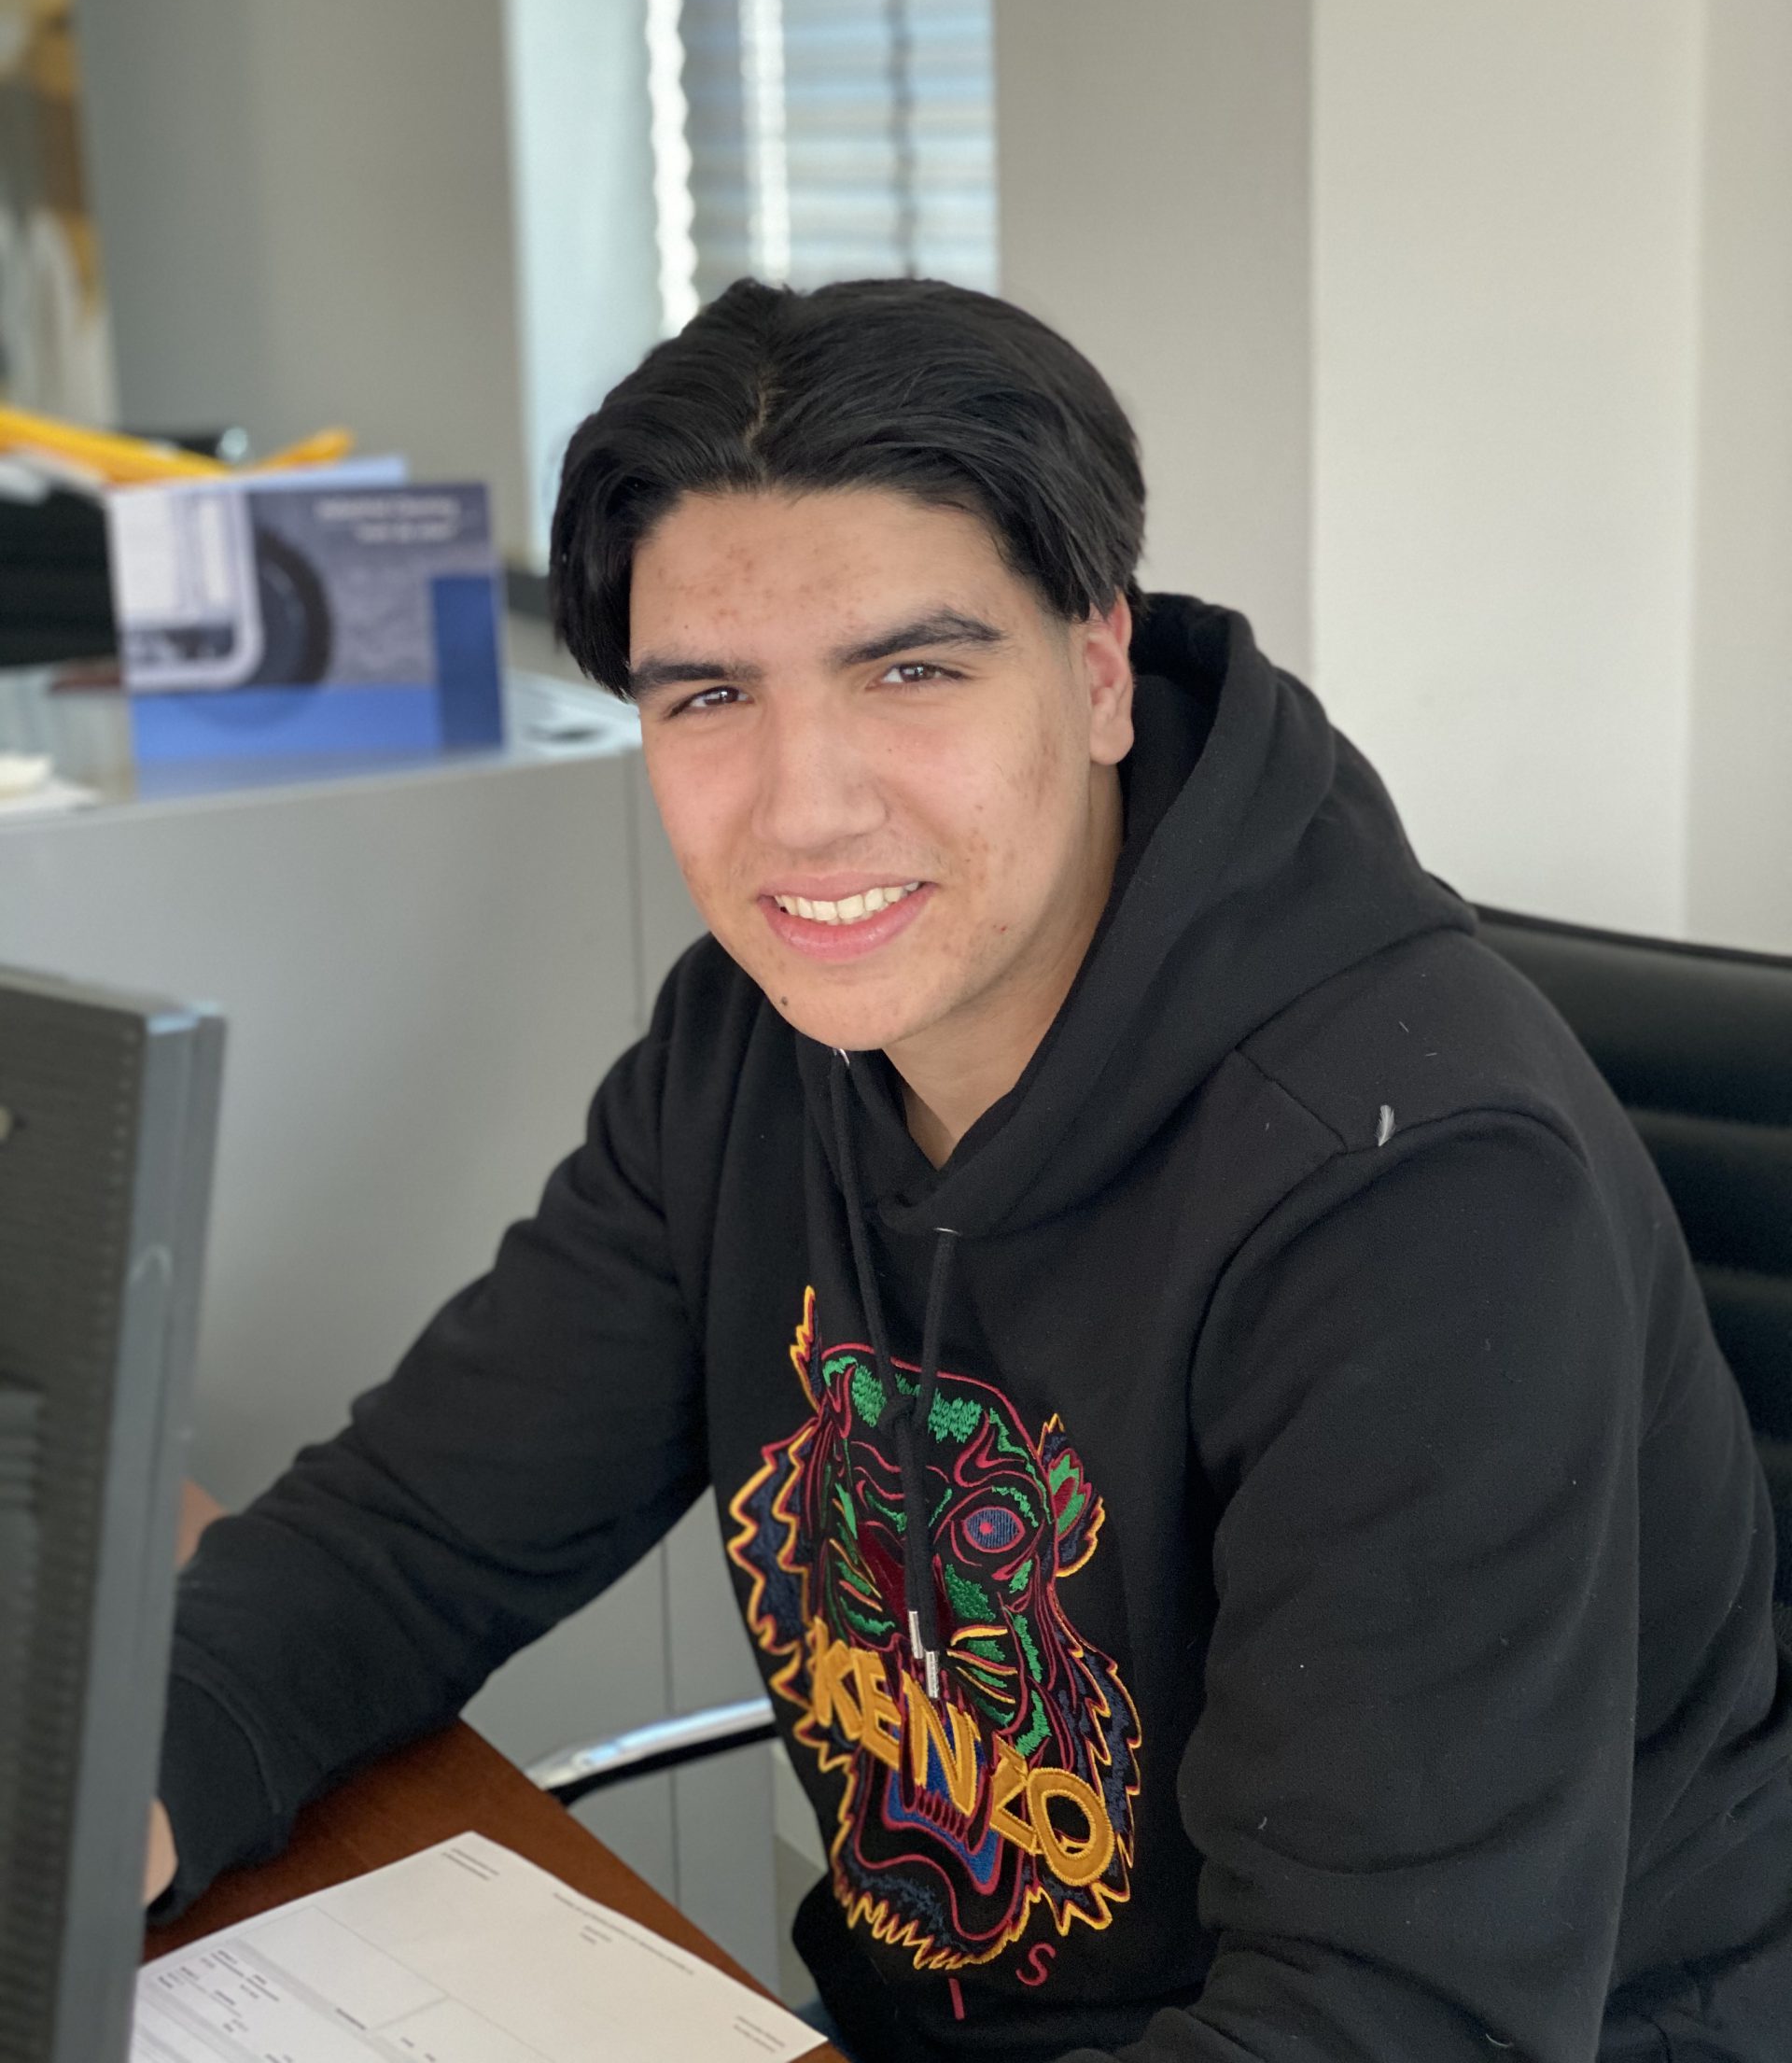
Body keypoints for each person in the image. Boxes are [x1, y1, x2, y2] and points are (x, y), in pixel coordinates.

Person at [147, 279, 1792, 2062]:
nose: (804, 807)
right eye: (710, 695)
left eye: (912, 671)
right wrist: (99, 1813)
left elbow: (1389, 2019)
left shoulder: (1420, 1193)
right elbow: (409, 1535)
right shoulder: (752, 1045)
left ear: (1098, 671)